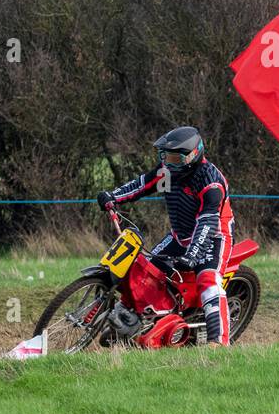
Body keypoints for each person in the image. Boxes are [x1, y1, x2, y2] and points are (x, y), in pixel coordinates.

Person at [96, 126, 235, 345]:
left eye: (175, 158)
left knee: (208, 280)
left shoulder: (211, 182)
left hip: (214, 237)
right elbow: (143, 185)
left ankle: (219, 342)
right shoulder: (168, 171)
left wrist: (193, 255)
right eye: (166, 156)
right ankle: (131, 320)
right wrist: (113, 196)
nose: (169, 162)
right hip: (179, 236)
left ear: (193, 155)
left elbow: (207, 221)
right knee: (146, 271)